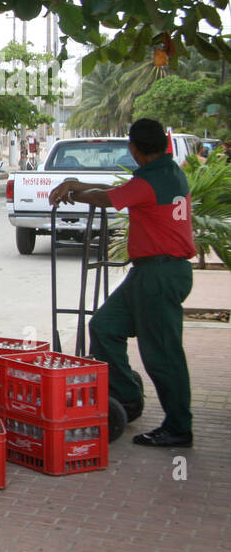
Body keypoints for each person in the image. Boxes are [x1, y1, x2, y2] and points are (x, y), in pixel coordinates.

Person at [48, 118, 196, 446]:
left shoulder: (150, 182)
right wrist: (76, 184)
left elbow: (110, 198)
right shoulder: (169, 173)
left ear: (133, 149)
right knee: (104, 326)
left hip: (160, 273)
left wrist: (75, 189)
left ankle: (179, 427)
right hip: (151, 271)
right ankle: (127, 394)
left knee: (163, 353)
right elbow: (119, 192)